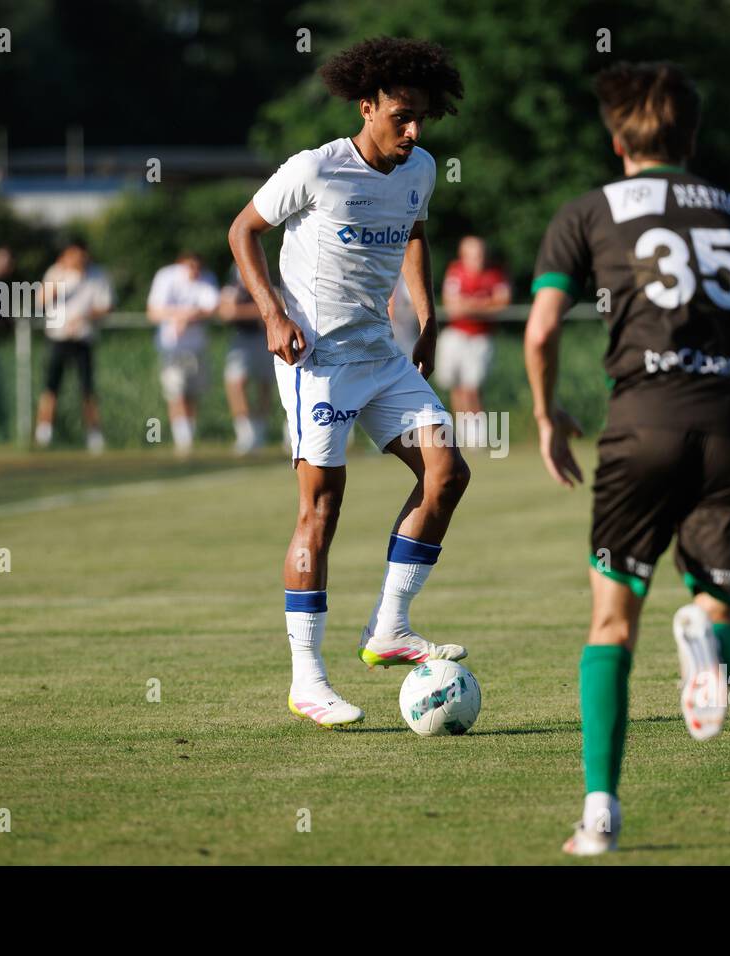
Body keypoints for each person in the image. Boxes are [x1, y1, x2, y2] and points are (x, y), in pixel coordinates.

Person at [524, 61, 730, 855]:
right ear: (692, 138)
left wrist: (548, 415)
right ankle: (708, 651)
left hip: (640, 427)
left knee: (612, 621)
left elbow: (544, 328)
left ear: (618, 140)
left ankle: (600, 815)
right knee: (726, 620)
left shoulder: (587, 211)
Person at [228, 36, 469, 729]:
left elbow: (415, 231)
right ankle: (307, 679)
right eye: (401, 116)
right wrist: (271, 313)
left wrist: (426, 315)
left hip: (383, 355)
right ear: (367, 107)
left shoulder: (419, 166)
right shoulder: (315, 169)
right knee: (322, 510)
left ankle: (390, 628)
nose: (414, 131)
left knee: (446, 472)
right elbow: (243, 230)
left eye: (422, 117)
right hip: (319, 362)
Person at [35, 240, 113, 452]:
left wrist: (84, 317)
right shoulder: (55, 273)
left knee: (87, 389)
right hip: (58, 338)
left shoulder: (98, 275)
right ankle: (43, 434)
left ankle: (94, 435)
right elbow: (40, 301)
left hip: (83, 338)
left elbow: (105, 306)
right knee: (51, 387)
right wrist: (57, 284)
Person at [435, 235, 510, 444]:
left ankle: (477, 437)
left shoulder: (495, 274)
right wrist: (483, 304)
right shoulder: (456, 271)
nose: (478, 258)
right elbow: (452, 306)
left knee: (472, 386)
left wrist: (469, 305)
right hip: (456, 334)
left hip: (481, 338)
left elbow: (501, 303)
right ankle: (461, 433)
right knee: (456, 386)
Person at [147, 251, 220, 455]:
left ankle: (188, 437)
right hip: (171, 346)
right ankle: (183, 442)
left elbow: (213, 307)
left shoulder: (206, 278)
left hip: (196, 346)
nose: (193, 271)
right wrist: (181, 315)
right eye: (189, 266)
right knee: (175, 392)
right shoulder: (166, 277)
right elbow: (153, 311)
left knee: (192, 393)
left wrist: (188, 316)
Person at [218, 264, 274, 455]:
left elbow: (278, 307)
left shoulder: (268, 285)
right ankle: (245, 432)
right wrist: (259, 309)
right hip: (241, 339)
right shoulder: (232, 289)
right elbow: (227, 312)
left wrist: (243, 309)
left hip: (264, 337)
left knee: (265, 385)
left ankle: (259, 431)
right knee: (236, 383)